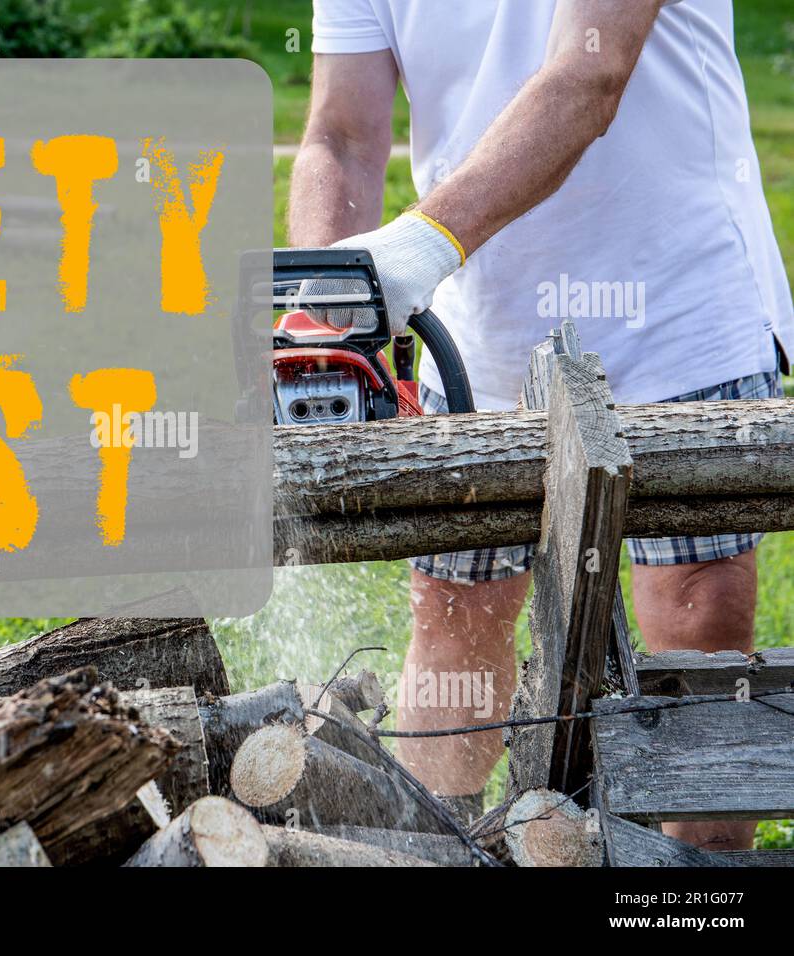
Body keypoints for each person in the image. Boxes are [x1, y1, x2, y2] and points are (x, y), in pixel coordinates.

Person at [289, 0, 792, 849]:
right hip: (478, 322)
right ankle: (433, 855)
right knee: (454, 625)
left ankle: (693, 886)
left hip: (675, 302)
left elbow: (590, 76)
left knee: (696, 630)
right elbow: (341, 134)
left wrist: (418, 245)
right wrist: (321, 311)